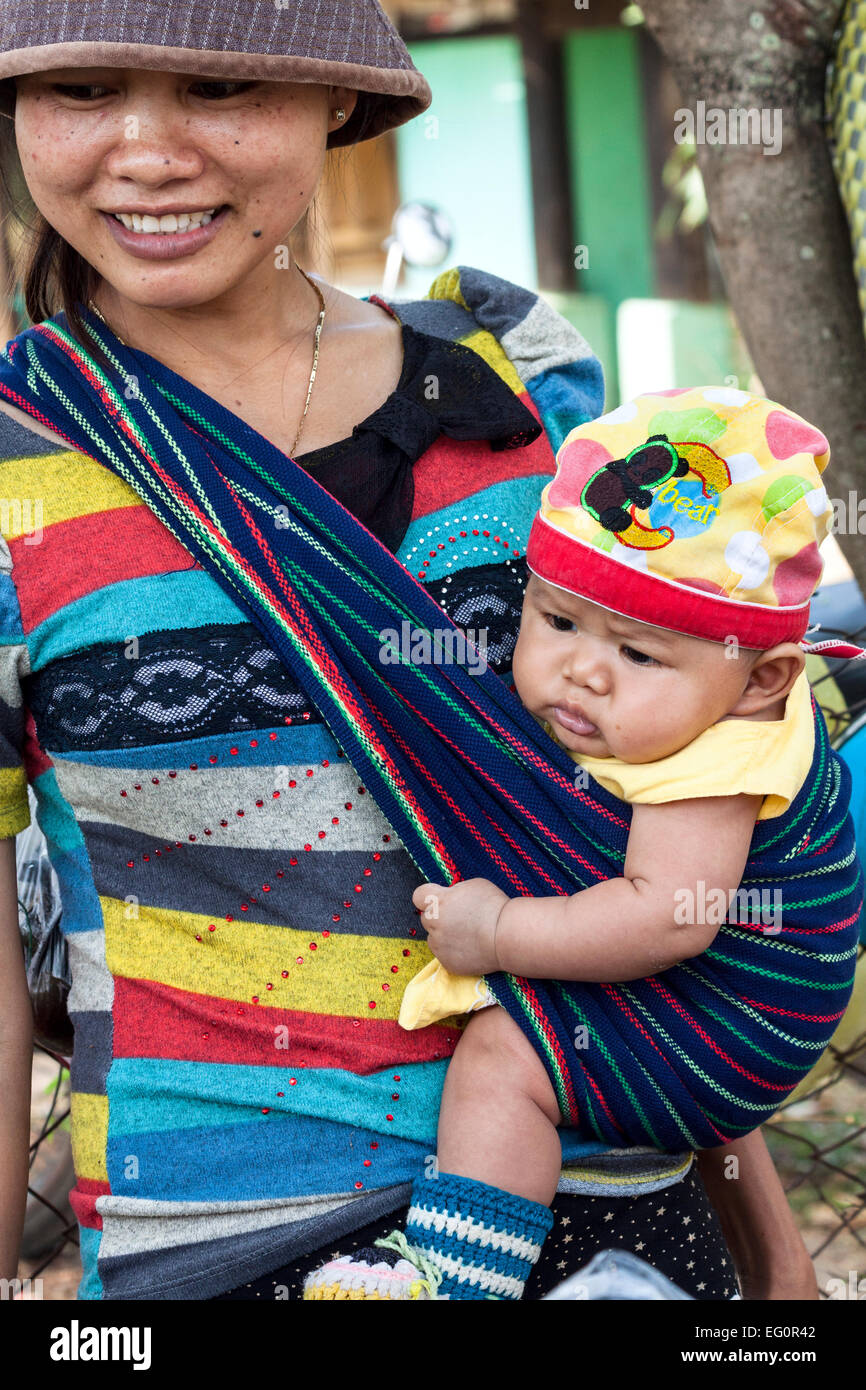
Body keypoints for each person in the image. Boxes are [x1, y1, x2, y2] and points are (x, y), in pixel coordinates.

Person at [0, 0, 818, 1302]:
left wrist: (771, 1258)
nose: (146, 149)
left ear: (337, 97)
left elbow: (649, 832)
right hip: (231, 1238)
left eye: (217, 90)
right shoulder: (18, 479)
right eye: (83, 89)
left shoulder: (519, 400)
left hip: (614, 1211)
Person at [301, 387, 863, 1299]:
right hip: (726, 1011)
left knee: (502, 1062)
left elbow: (665, 920)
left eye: (639, 655)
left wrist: (498, 934)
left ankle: (455, 1277)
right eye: (557, 621)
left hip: (731, 1021)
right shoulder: (700, 702)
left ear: (763, 680)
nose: (583, 671)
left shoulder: (719, 757)